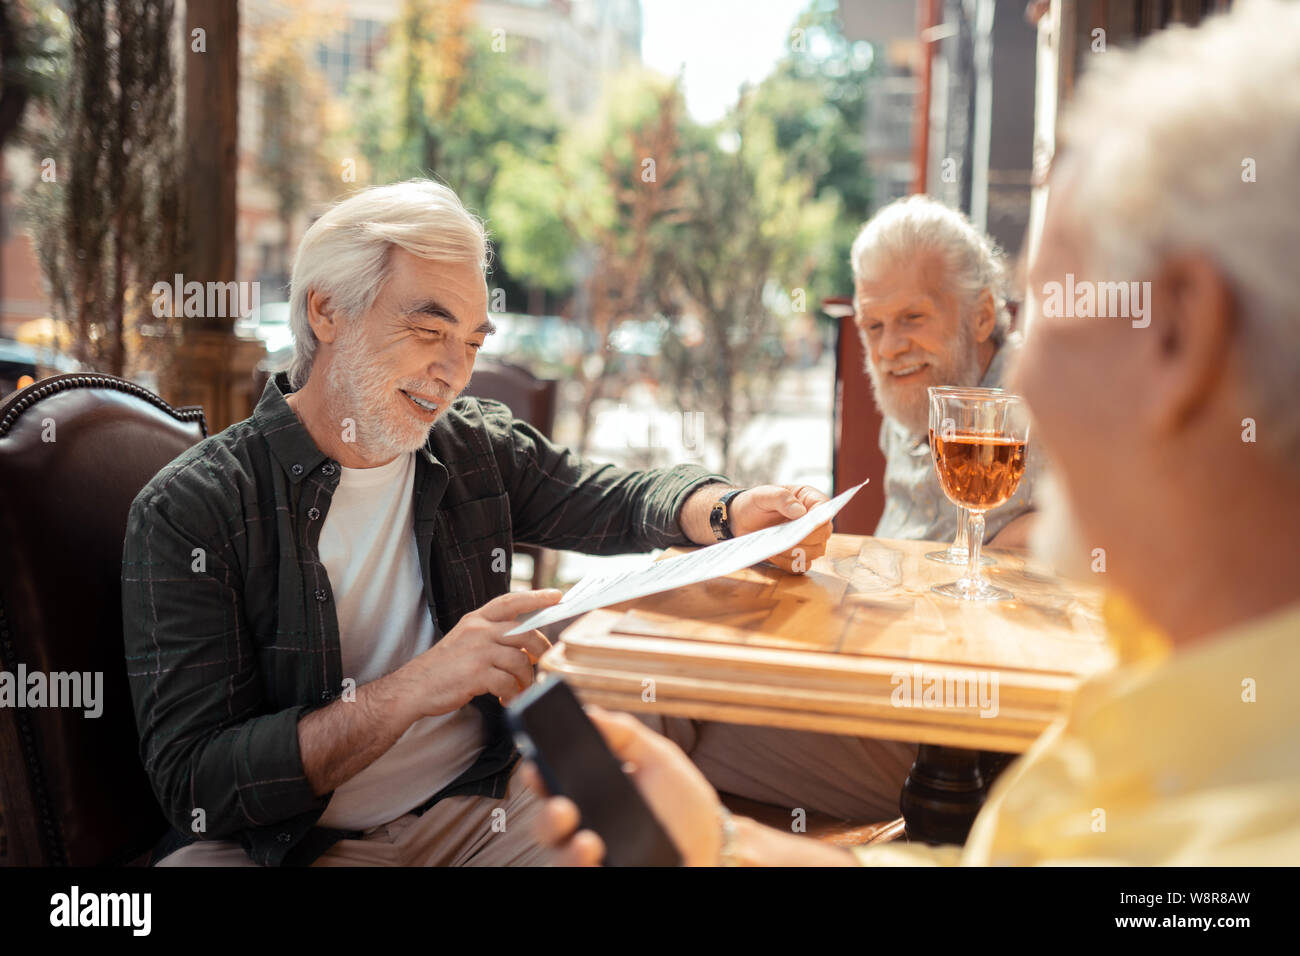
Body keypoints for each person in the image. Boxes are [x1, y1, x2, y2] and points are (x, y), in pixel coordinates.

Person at [527, 0, 1300, 865]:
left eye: (1049, 310)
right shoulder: (1172, 683)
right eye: (873, 325)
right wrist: (724, 843)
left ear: (1180, 338)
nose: (1026, 372)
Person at [121, 179, 831, 866]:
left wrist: (727, 510)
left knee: (655, 843)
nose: (452, 371)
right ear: (326, 311)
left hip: (482, 803)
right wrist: (415, 688)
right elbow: (195, 786)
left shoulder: (467, 447)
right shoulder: (192, 510)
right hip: (290, 843)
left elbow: (608, 496)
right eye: (429, 329)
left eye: (471, 342)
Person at [852, 194, 1041, 547]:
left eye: (913, 317)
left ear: (981, 316)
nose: (890, 348)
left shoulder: (1046, 401)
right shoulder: (911, 394)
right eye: (874, 326)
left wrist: (1031, 538)